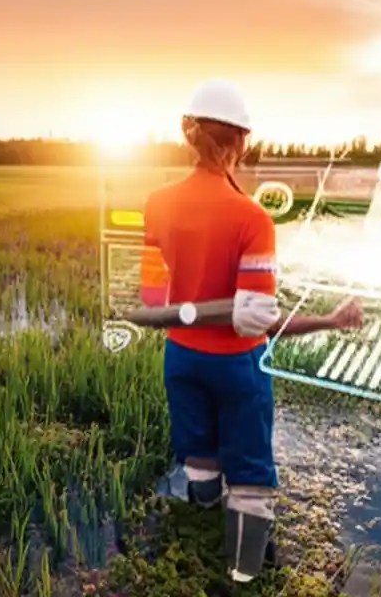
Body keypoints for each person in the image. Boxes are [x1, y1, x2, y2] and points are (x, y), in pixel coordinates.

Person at [138, 78, 364, 582]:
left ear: (189, 137)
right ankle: (243, 579)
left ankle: (197, 543)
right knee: (252, 479)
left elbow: (154, 301)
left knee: (198, 457)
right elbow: (255, 320)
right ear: (241, 141)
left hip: (180, 359)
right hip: (237, 366)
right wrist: (330, 319)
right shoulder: (253, 217)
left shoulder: (157, 203)